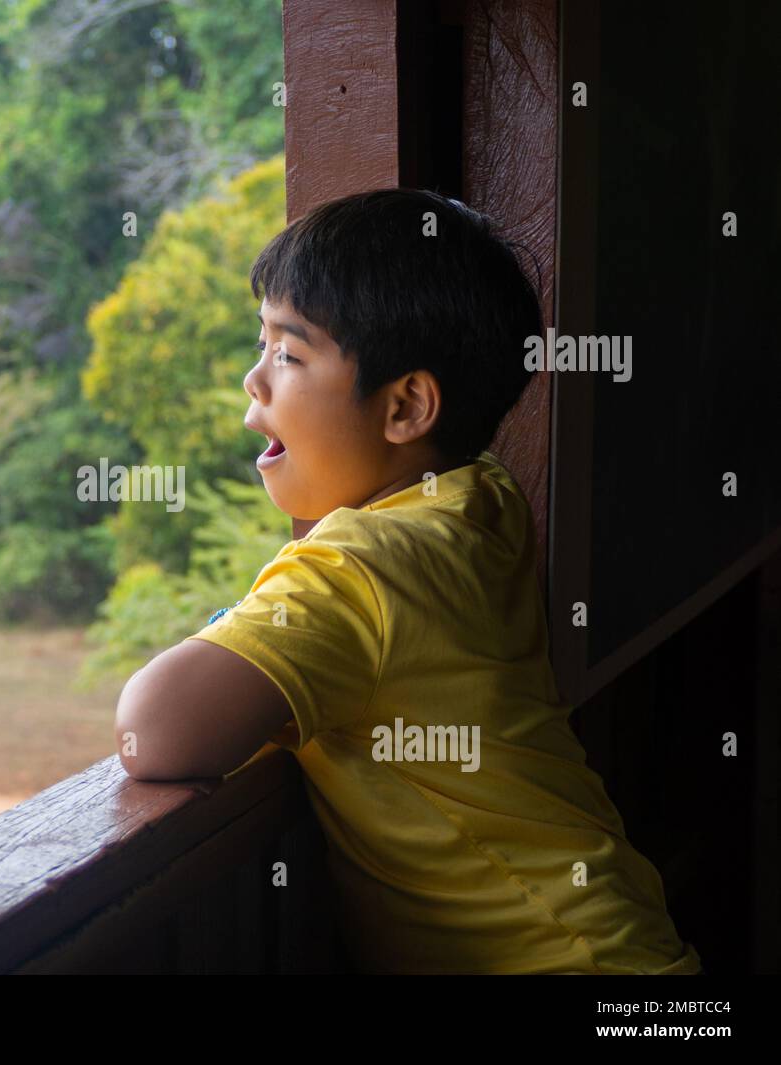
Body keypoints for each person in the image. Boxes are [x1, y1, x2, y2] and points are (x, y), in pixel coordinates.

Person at [113, 188, 702, 974]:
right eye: (262, 345)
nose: (254, 381)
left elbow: (152, 729)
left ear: (407, 407)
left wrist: (254, 627)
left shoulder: (363, 564)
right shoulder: (480, 496)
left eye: (288, 354)